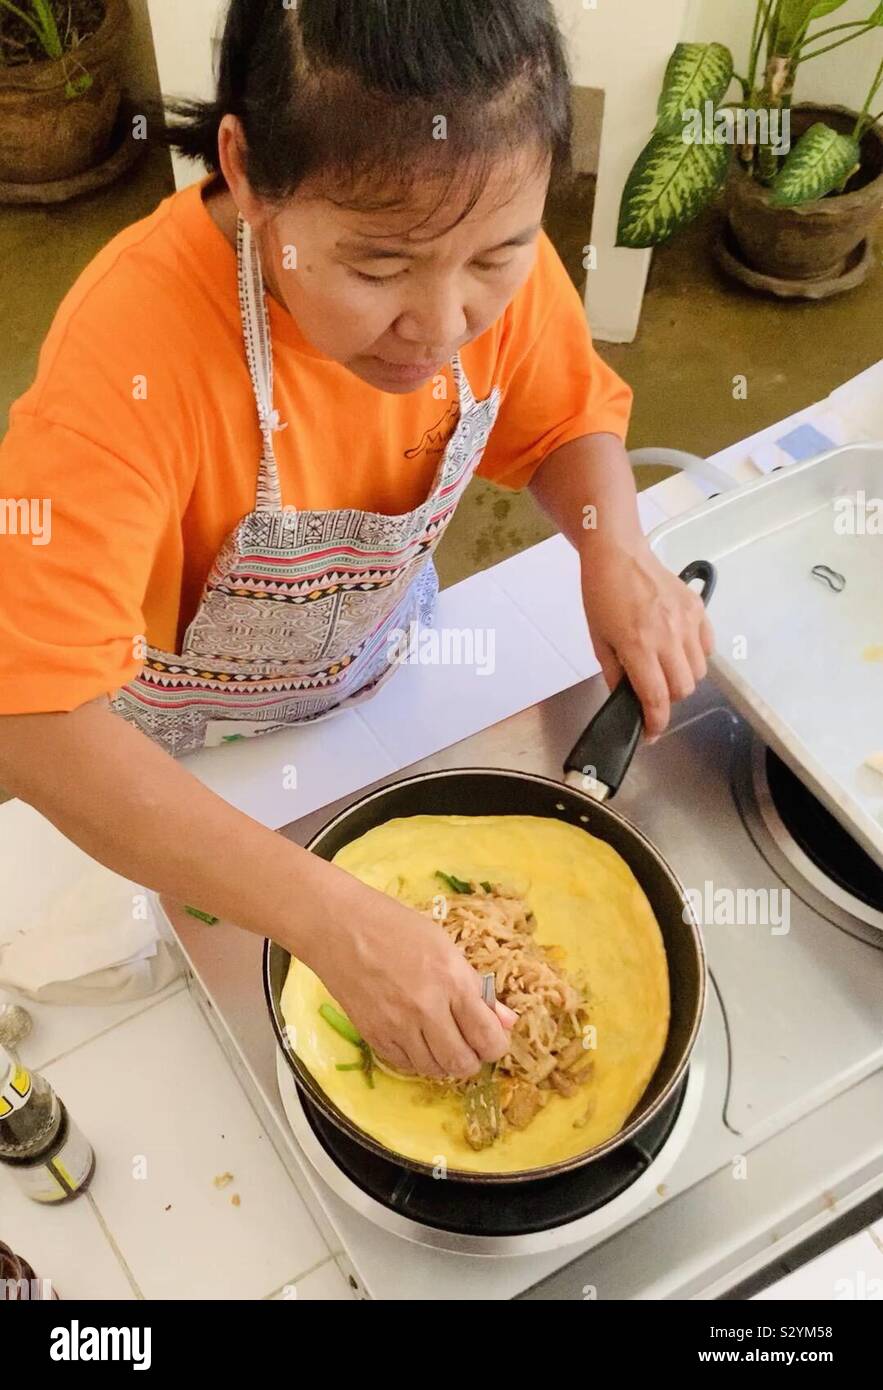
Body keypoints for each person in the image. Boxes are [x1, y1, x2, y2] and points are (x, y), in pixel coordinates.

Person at [0, 0, 713, 1080]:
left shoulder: (466, 235)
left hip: (383, 678)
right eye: (377, 269)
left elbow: (561, 415)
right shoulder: (131, 354)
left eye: (496, 259)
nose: (438, 325)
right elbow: (33, 714)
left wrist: (615, 549)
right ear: (243, 165)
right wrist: (327, 919)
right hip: (173, 774)